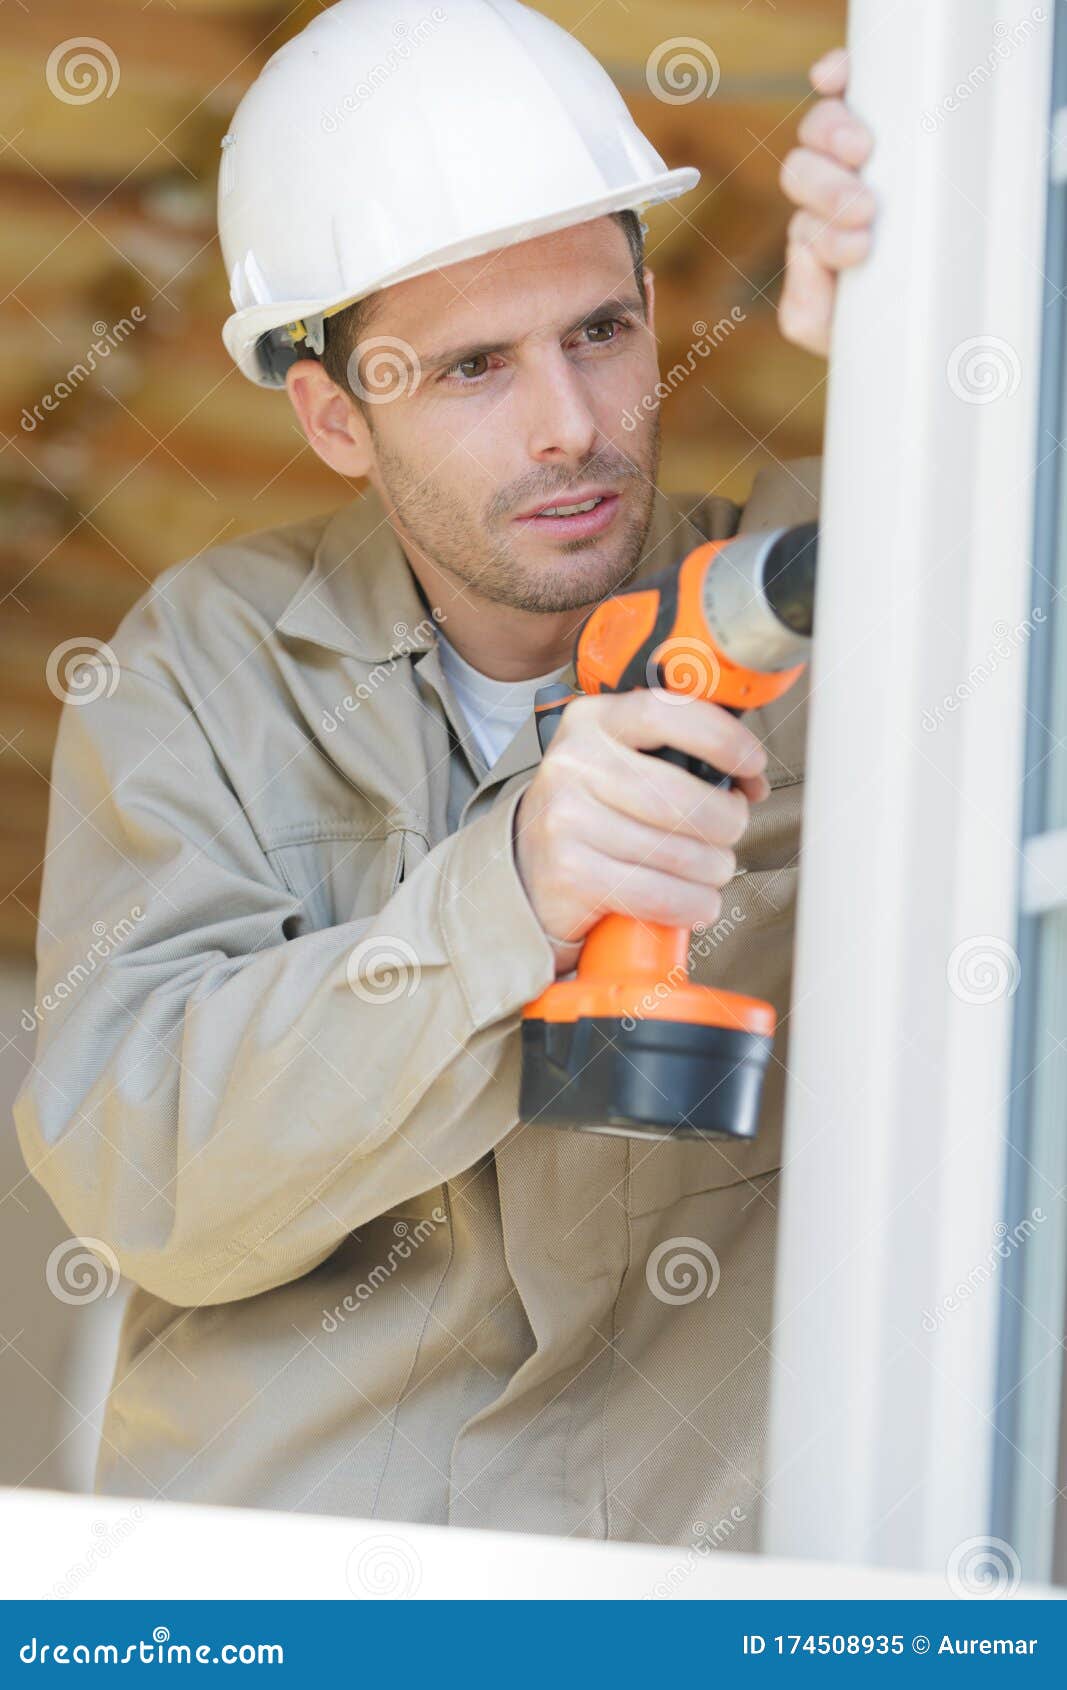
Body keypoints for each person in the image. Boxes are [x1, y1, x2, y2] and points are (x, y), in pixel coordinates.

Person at [15, 1, 874, 1546]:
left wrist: (937, 340)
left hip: (700, 1610)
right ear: (337, 413)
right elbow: (144, 1168)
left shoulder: (832, 610)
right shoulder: (199, 674)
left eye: (601, 333)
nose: (572, 425)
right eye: (474, 365)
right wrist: (514, 894)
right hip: (292, 1605)